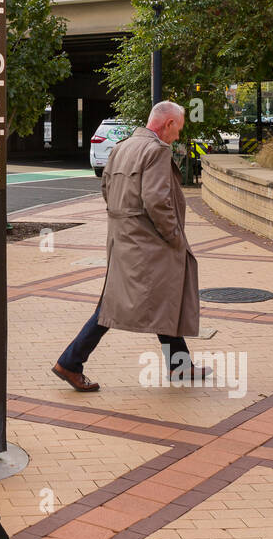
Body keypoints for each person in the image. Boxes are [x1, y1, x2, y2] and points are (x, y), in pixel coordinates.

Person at [52, 100, 210, 392]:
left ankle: (180, 365)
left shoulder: (122, 147)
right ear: (169, 124)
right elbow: (157, 201)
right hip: (148, 243)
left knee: (162, 296)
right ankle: (71, 362)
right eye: (178, 129)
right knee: (112, 307)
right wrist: (174, 236)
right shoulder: (156, 151)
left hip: (123, 240)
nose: (177, 136)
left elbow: (106, 188)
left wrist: (124, 222)